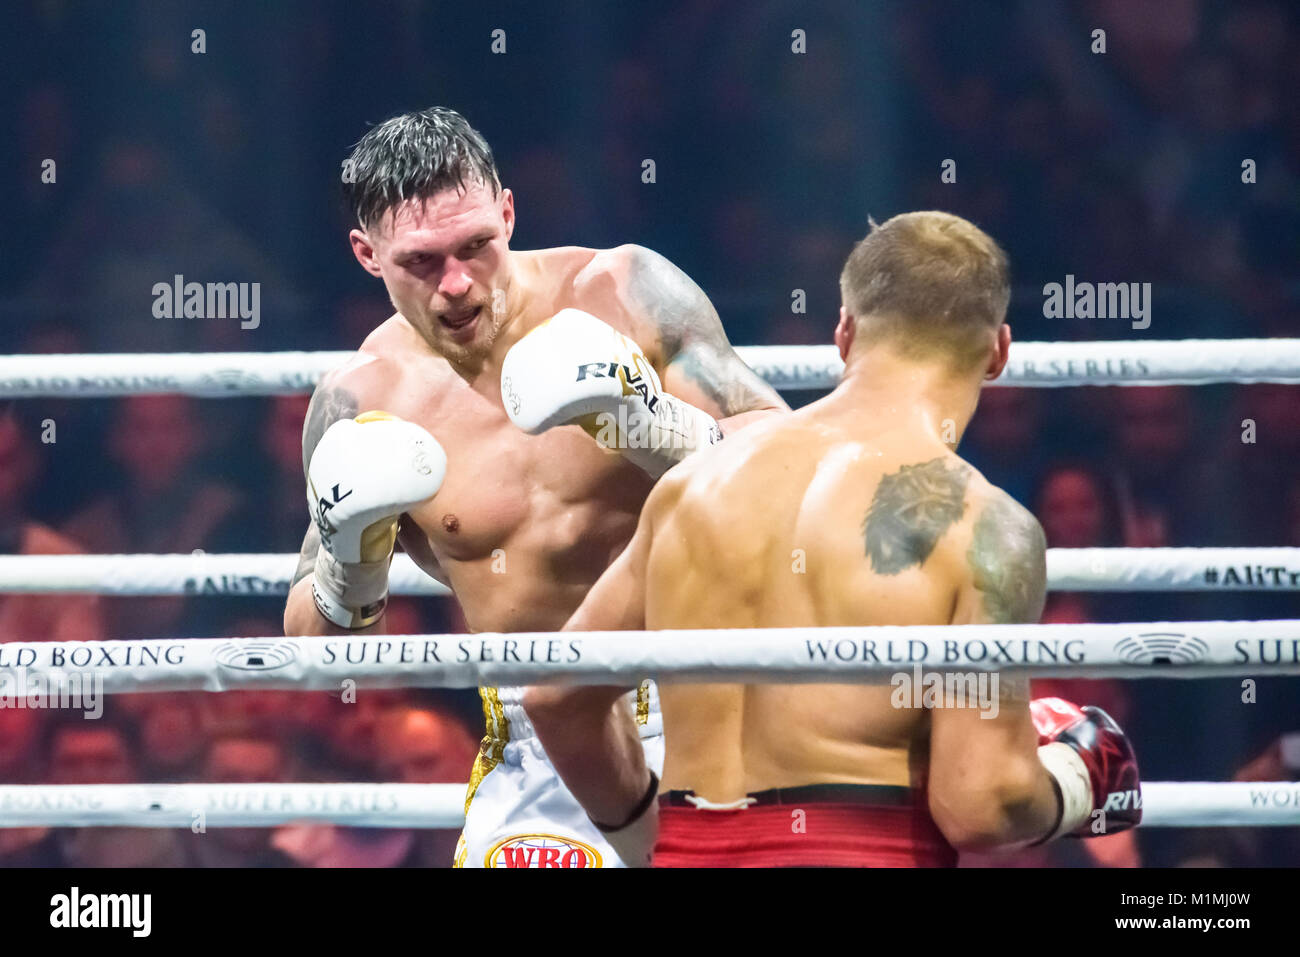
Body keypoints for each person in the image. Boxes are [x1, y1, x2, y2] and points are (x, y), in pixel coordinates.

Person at [525, 211, 1142, 866]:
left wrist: (646, 841)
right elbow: (979, 803)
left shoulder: (692, 485)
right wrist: (1077, 779)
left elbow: (557, 695)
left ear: (843, 332)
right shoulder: (984, 526)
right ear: (998, 352)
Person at [281, 107, 786, 868]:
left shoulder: (623, 289)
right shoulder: (361, 400)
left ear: (509, 214)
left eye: (476, 246)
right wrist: (349, 561)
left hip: (715, 703)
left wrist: (646, 421)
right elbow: (322, 658)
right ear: (366, 253)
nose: (456, 284)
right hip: (539, 755)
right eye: (422, 261)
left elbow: (787, 465)